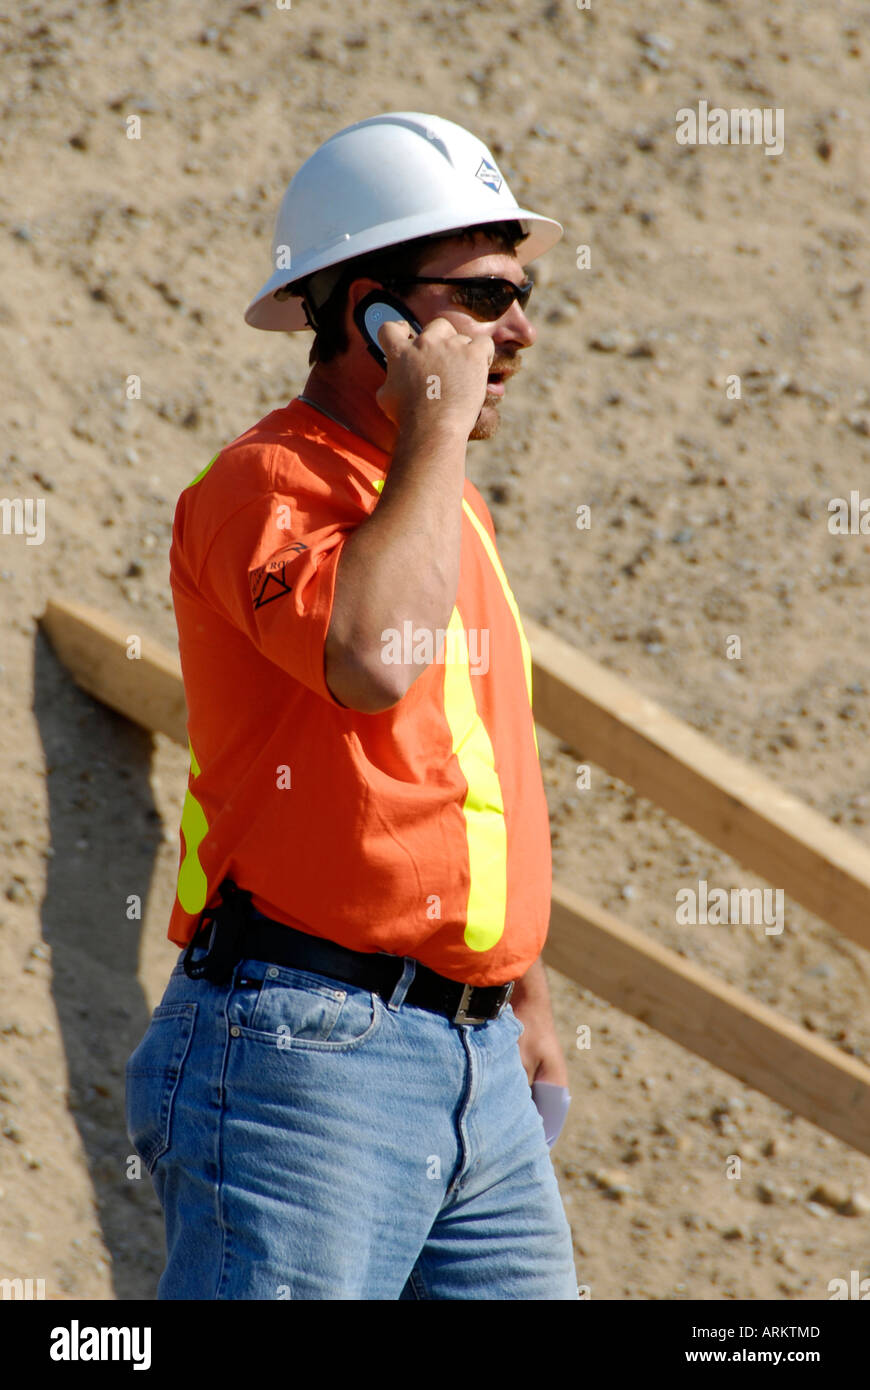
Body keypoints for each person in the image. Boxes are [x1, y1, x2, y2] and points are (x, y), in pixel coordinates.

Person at [126, 111, 579, 1300]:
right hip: (304, 1058)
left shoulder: (436, 506)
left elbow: (468, 769)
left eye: (521, 292)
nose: (519, 331)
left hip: (472, 1059)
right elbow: (374, 659)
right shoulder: (262, 482)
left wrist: (514, 991)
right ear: (377, 311)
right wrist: (432, 430)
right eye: (483, 297)